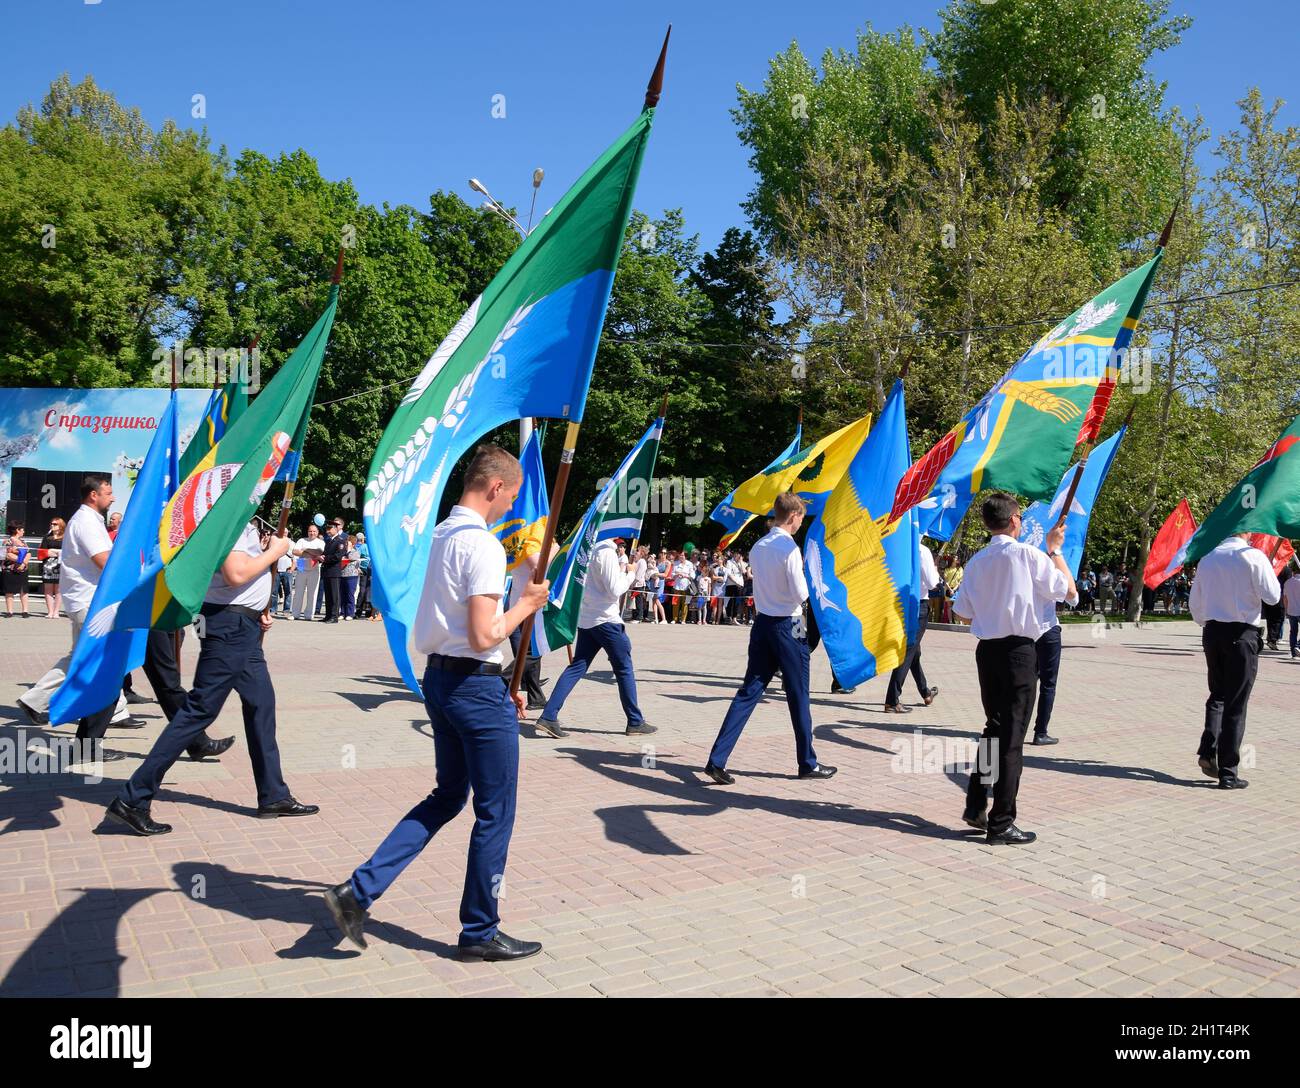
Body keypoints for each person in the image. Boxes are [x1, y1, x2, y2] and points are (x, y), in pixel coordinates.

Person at [323, 445, 549, 961]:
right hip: (471, 685)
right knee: (496, 812)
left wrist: (502, 675)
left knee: (448, 795)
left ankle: (357, 892)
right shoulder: (483, 546)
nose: (510, 507)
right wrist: (526, 604)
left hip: (444, 683)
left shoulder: (436, 536)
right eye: (510, 497)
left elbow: (461, 630)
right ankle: (479, 930)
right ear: (495, 488)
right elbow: (482, 631)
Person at [105, 523, 315, 834]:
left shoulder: (236, 517)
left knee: (261, 705)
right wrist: (276, 551)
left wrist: (257, 608)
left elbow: (239, 577)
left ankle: (273, 795)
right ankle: (133, 799)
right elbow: (235, 574)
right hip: (230, 626)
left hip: (242, 624)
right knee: (198, 711)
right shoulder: (229, 516)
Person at [951, 493, 1075, 845]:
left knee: (995, 727)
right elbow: (1068, 591)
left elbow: (963, 613)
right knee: (1012, 739)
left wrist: (996, 606)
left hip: (987, 651)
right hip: (1019, 652)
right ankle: (1001, 821)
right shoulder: (1029, 555)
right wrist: (1056, 551)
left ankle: (977, 801)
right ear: (1016, 520)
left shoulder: (976, 562)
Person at [703, 492, 835, 785]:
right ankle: (807, 762)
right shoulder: (789, 549)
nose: (801, 522)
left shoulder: (759, 545)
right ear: (793, 517)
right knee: (799, 693)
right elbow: (801, 594)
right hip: (790, 623)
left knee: (749, 691)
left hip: (762, 623)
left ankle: (717, 758)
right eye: (801, 517)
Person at [16, 476, 128, 753]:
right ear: (93, 495)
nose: (112, 497)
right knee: (97, 664)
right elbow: (105, 562)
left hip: (86, 601)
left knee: (79, 657)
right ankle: (96, 727)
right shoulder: (87, 523)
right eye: (109, 493)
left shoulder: (86, 520)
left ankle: (35, 700)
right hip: (90, 602)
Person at [536, 537, 655, 740]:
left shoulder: (588, 546)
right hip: (606, 621)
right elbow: (615, 589)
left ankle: (548, 715)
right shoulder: (605, 550)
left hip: (588, 619)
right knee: (624, 669)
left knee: (576, 667)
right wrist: (631, 573)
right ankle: (635, 721)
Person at [1189, 533, 1281, 789]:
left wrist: (1207, 623)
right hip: (1241, 634)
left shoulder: (1207, 559)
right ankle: (1228, 772)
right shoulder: (1253, 556)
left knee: (1217, 694)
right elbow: (1272, 597)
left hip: (1213, 632)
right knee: (1236, 703)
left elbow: (1195, 603)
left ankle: (1208, 750)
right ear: (1248, 532)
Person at [884, 540, 942, 713]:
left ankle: (925, 692)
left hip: (898, 603)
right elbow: (932, 583)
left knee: (914, 652)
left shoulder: (896, 543)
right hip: (918, 604)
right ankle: (892, 700)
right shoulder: (921, 550)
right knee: (908, 650)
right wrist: (936, 571)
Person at [1031, 551, 1080, 746]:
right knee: (1048, 684)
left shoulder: (1023, 568)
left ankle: (1016, 729)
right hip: (1048, 630)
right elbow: (1072, 597)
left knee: (1024, 684)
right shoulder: (1052, 569)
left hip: (1025, 631)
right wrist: (1059, 556)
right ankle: (1040, 732)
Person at [290, 525, 324, 619]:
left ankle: (309, 614)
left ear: (317, 532)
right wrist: (311, 553)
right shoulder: (302, 540)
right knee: (298, 592)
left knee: (312, 593)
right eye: (310, 531)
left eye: (314, 531)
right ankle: (295, 613)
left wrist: (305, 551)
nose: (312, 533)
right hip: (301, 565)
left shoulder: (320, 542)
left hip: (314, 567)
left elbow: (320, 553)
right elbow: (295, 551)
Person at [3, 522, 30, 618]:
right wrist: (19, 559)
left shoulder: (23, 542)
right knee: (9, 590)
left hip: (23, 569)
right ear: (17, 530)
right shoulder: (7, 541)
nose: (23, 531)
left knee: (24, 590)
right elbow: (6, 555)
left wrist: (23, 563)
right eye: (22, 529)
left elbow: (28, 554)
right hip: (10, 569)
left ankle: (25, 611)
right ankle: (10, 611)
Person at [321, 518, 346, 622]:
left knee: (334, 595)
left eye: (330, 528)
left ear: (336, 529)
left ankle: (334, 616)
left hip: (334, 571)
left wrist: (325, 558)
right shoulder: (329, 540)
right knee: (328, 595)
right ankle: (328, 615)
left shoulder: (340, 541)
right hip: (327, 570)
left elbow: (338, 556)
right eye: (327, 528)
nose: (328, 531)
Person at [39, 516, 64, 620]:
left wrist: (53, 551)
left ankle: (56, 612)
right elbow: (42, 552)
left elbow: (68, 551)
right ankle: (50, 611)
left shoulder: (66, 537)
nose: (52, 526)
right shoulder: (46, 537)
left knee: (58, 590)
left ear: (60, 526)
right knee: (48, 589)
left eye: (55, 524)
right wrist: (54, 552)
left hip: (61, 566)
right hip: (48, 566)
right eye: (52, 524)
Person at [340, 533, 360, 620]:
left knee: (349, 594)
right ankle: (342, 612)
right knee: (342, 594)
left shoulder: (355, 552)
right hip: (342, 574)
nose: (345, 544)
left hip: (352, 575)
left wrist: (348, 550)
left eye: (348, 543)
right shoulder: (343, 551)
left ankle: (350, 613)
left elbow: (351, 557)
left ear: (353, 544)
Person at [1284, 568, 1300, 659]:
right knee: (1293, 632)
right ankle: (1298, 646)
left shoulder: (1288, 582)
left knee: (1293, 632)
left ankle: (1293, 652)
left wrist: (1286, 611)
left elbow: (1285, 598)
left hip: (1291, 610)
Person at [274, 549, 293, 616]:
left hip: (287, 571)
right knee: (274, 592)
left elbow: (296, 558)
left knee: (288, 592)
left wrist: (292, 569)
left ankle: (286, 610)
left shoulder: (292, 544)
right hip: (276, 571)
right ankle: (273, 610)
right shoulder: (275, 542)